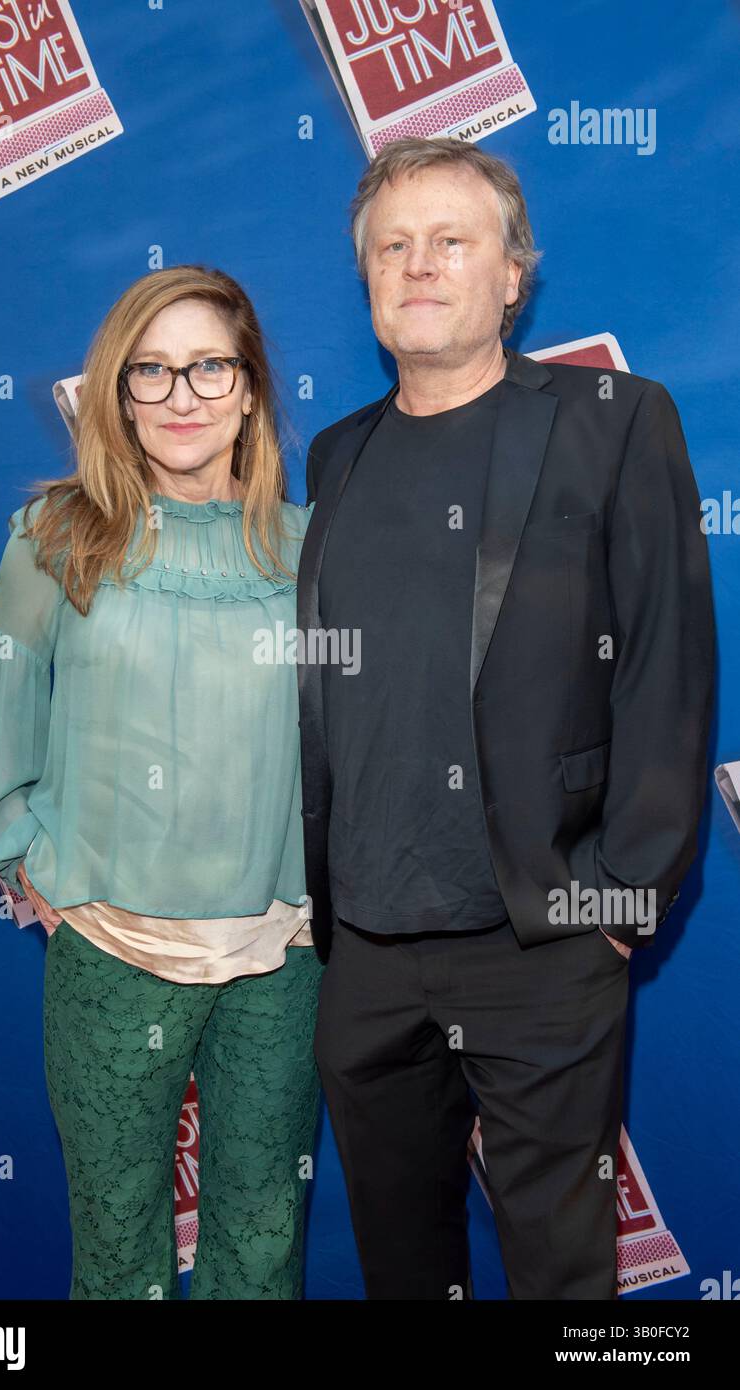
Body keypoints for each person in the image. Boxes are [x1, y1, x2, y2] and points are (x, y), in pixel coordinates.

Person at [296, 137, 715, 1299]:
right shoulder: (336, 455)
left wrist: (619, 895)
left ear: (509, 274)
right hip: (368, 954)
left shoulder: (611, 418)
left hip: (539, 939)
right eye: (391, 245)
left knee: (559, 1273)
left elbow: (665, 666)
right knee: (402, 1265)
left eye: (449, 241)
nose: (416, 265)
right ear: (365, 275)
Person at [0, 266, 323, 1300]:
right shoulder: (59, 537)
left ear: (249, 388)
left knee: (261, 1241)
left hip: (278, 957)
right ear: (116, 395)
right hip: (112, 952)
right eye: (149, 372)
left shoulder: (309, 546)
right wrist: (29, 861)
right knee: (117, 1251)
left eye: (208, 365)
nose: (181, 395)